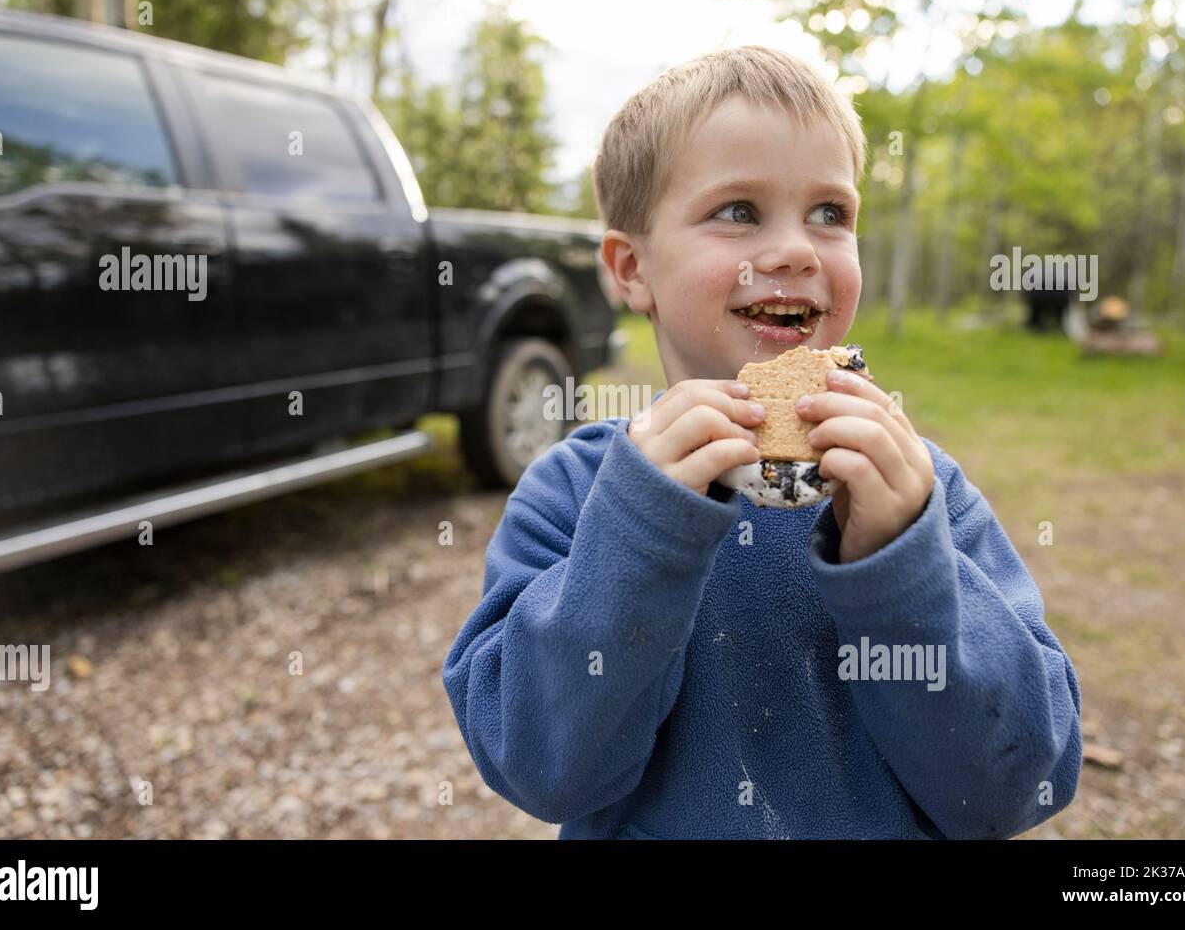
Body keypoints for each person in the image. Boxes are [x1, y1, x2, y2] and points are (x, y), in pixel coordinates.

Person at [443, 46, 1083, 839]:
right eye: (739, 211)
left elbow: (1021, 784)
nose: (796, 250)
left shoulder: (921, 491)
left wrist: (901, 561)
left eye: (830, 213)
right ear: (631, 268)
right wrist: (643, 532)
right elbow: (540, 766)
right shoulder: (576, 492)